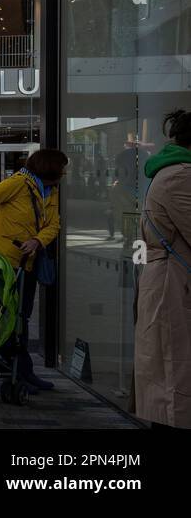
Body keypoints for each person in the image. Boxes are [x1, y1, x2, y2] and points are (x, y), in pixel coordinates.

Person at [0, 148, 67, 394]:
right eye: (62, 167)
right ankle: (18, 370)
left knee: (21, 317)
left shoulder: (51, 191)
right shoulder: (18, 184)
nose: (65, 172)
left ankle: (20, 370)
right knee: (5, 316)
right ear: (50, 169)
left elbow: (54, 223)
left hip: (29, 262)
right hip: (5, 262)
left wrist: (37, 240)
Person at [134, 109, 191, 429]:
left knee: (169, 369)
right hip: (173, 283)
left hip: (170, 281)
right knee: (173, 373)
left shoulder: (170, 171)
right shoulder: (180, 175)